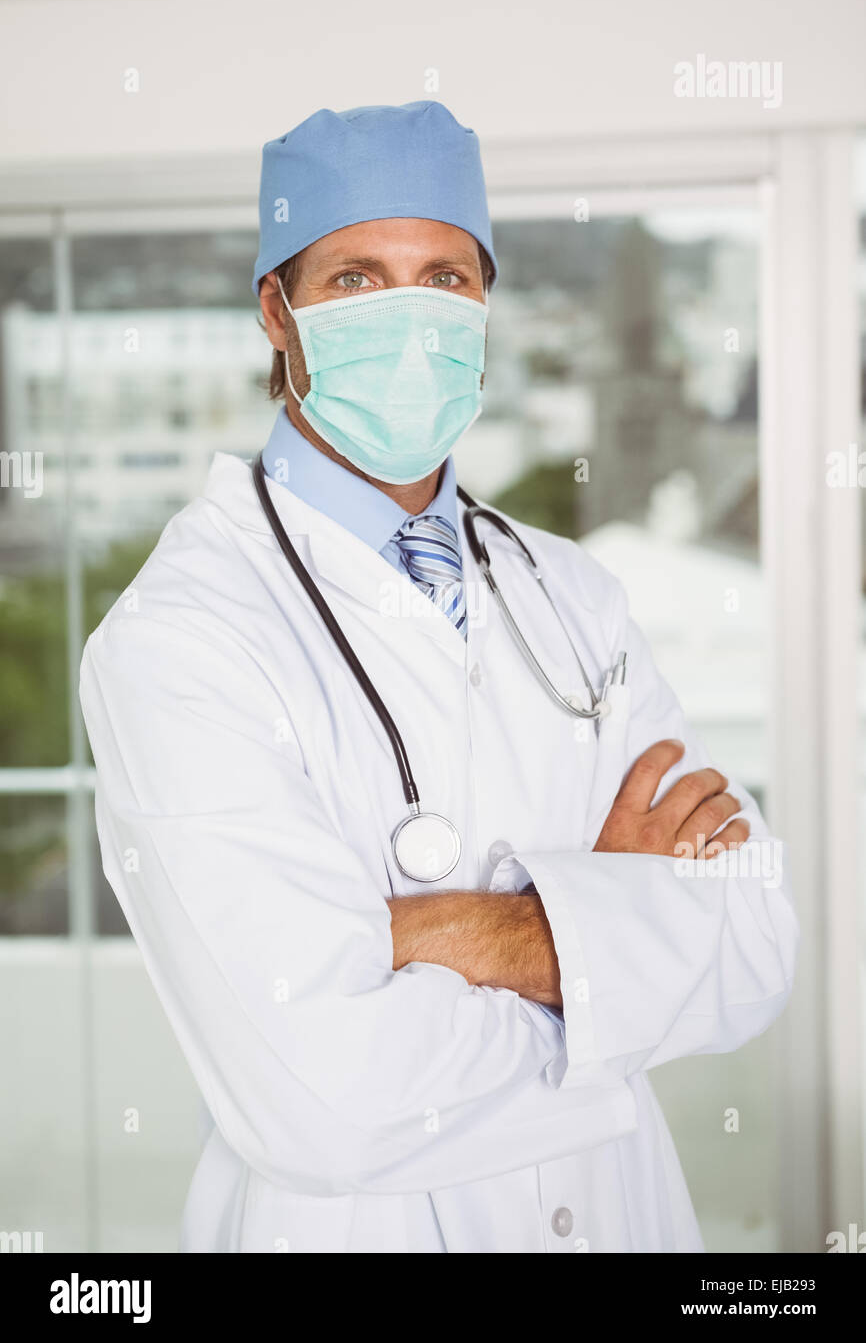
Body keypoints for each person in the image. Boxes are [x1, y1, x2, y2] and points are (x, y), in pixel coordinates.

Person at [79, 101, 798, 1254]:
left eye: (446, 278)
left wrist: (430, 933)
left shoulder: (573, 592)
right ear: (278, 310)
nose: (411, 314)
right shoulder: (176, 638)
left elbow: (755, 938)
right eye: (359, 279)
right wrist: (610, 940)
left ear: (482, 302)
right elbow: (320, 1095)